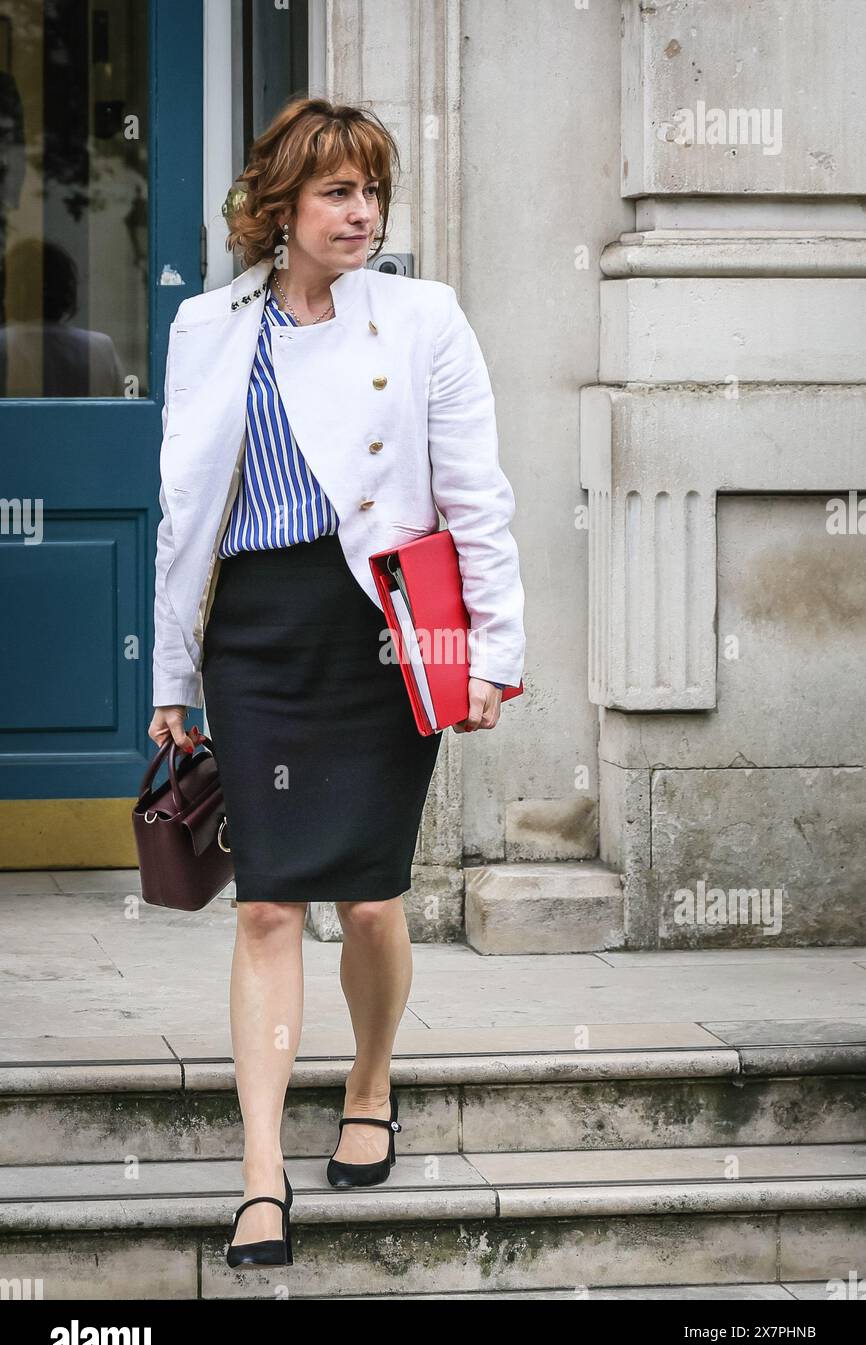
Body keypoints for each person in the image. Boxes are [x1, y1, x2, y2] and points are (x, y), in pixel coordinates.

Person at [147, 95, 525, 1267]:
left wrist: (489, 655)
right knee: (266, 900)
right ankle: (261, 1175)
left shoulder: (420, 318)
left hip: (380, 625)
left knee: (367, 897)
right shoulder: (207, 327)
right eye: (336, 193)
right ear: (280, 209)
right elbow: (182, 513)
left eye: (372, 192)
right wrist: (172, 669)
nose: (361, 214)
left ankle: (369, 1079)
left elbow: (475, 494)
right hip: (254, 630)